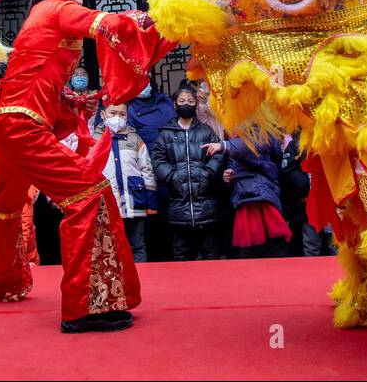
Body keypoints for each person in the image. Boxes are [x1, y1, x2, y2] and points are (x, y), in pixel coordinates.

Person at [0, 0, 173, 333]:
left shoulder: (43, 15)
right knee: (89, 195)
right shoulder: (56, 9)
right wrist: (154, 18)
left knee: (4, 207)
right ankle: (89, 305)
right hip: (21, 127)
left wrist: (72, 99)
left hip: (6, 122)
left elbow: (37, 79)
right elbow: (110, 26)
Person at [151, 84, 223, 260]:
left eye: (190, 101)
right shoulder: (166, 132)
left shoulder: (206, 130)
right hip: (178, 206)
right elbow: (157, 160)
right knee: (182, 256)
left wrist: (207, 174)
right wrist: (172, 177)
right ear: (175, 105)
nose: (186, 104)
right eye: (182, 101)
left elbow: (218, 156)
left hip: (207, 205)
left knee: (211, 255)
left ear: (196, 105)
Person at [209, 130, 292, 258]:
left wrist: (224, 145)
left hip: (260, 194)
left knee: (274, 247)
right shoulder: (235, 131)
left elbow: (252, 146)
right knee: (248, 252)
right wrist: (230, 171)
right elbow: (235, 158)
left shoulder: (261, 128)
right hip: (243, 194)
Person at [94, 101, 156, 263]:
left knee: (137, 245)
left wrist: (151, 203)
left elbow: (147, 170)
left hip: (134, 201)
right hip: (106, 203)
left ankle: (142, 280)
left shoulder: (135, 139)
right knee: (109, 248)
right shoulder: (92, 140)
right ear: (103, 115)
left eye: (122, 114)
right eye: (113, 113)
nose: (117, 118)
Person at [128, 79, 175, 149]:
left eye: (145, 82)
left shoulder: (166, 101)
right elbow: (131, 139)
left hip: (175, 152)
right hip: (151, 156)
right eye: (140, 84)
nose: (144, 86)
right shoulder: (130, 110)